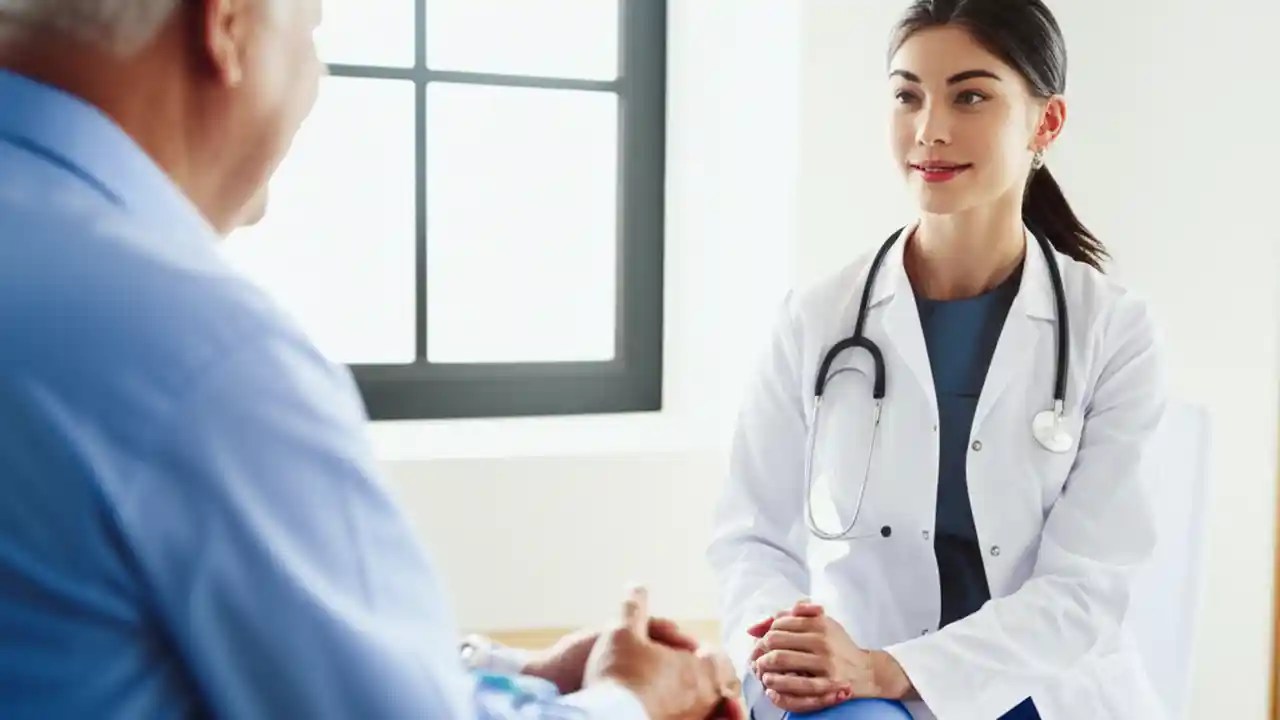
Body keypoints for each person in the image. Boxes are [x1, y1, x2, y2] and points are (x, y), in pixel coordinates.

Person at [0, 1, 742, 718]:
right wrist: (634, 702)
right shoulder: (197, 353)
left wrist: (520, 674)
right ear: (225, 23)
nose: (313, 72)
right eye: (312, 27)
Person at [706, 1, 1169, 718]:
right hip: (854, 691)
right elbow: (751, 539)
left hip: (1038, 691)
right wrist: (783, 651)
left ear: (1045, 123)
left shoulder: (1114, 332)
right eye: (907, 95)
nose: (929, 129)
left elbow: (1085, 589)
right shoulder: (816, 321)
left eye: (971, 95)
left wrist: (892, 668)